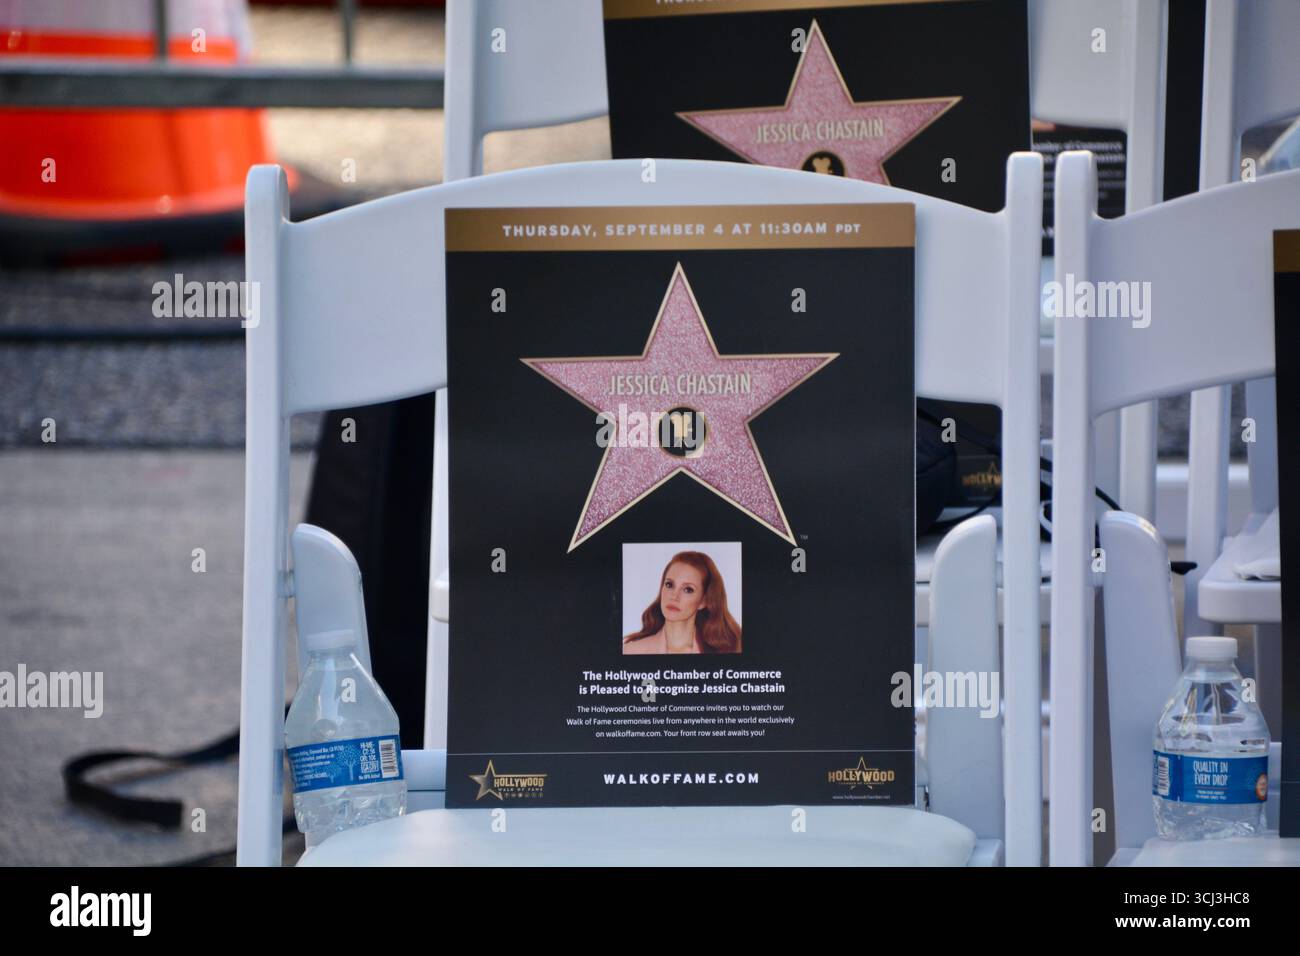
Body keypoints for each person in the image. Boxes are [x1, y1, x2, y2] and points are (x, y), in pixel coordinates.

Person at [623, 551, 741, 654]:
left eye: (688, 589)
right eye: (669, 585)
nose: (674, 596)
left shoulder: (726, 652)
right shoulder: (630, 651)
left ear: (703, 601)